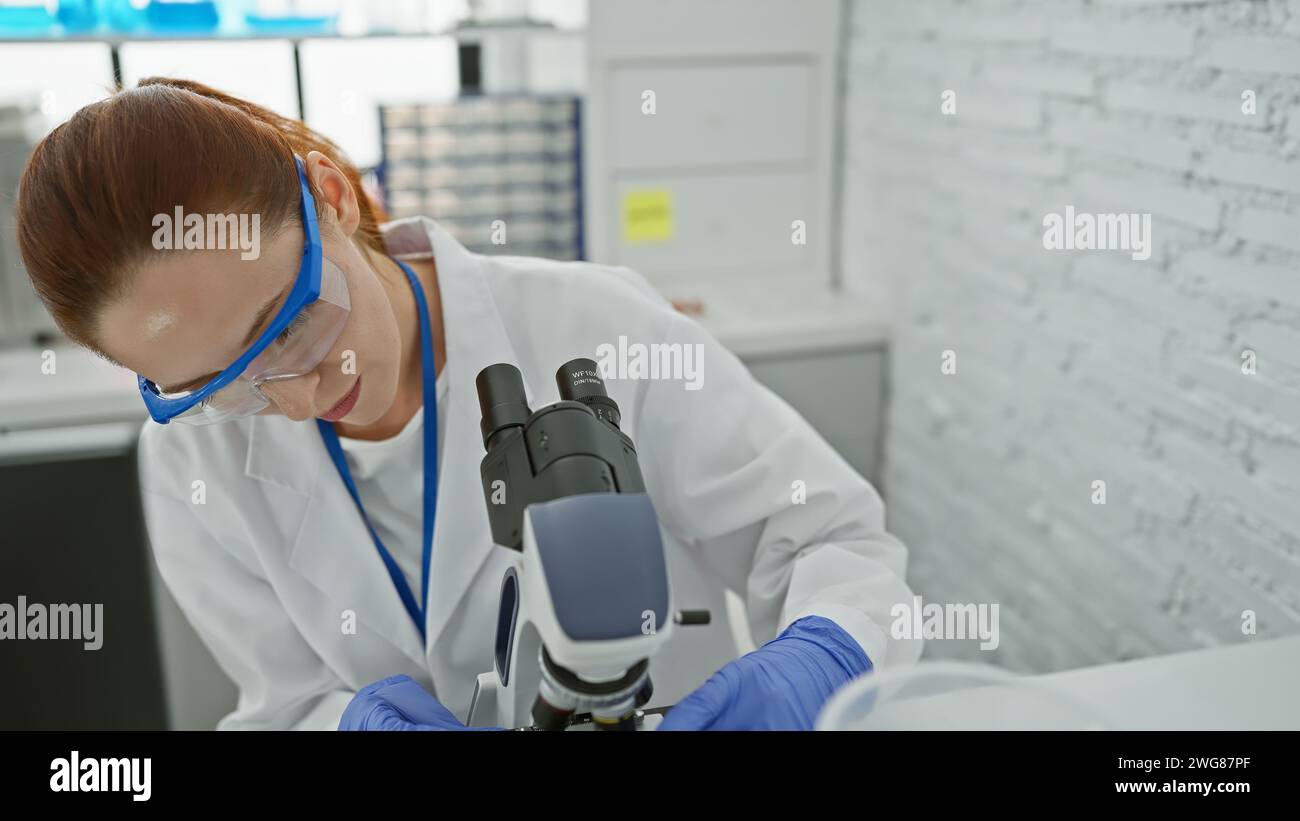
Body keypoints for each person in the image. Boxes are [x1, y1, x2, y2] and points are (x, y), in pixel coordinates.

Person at [15, 77, 922, 730]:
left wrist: (823, 658)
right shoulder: (187, 463)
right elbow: (283, 704)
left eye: (288, 327)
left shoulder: (593, 322)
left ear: (331, 197)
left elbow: (831, 541)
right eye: (223, 387)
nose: (294, 402)